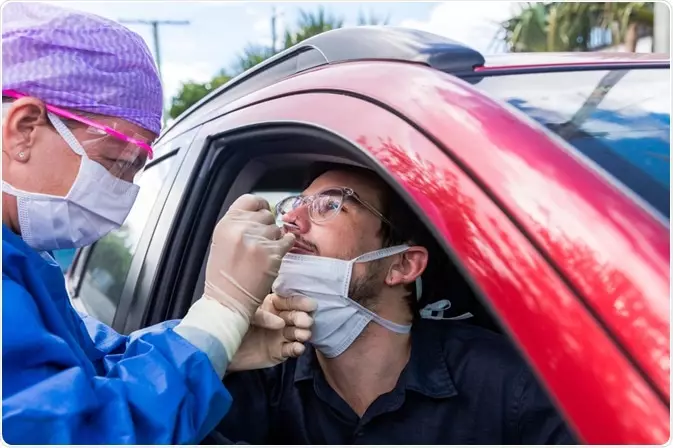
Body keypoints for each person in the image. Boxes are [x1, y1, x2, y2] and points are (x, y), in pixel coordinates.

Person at [2, 3, 315, 445]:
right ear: (24, 129)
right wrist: (222, 313)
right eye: (116, 161)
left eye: (137, 167)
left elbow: (91, 360)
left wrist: (214, 342)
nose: (126, 189)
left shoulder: (26, 259)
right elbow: (80, 433)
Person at [213, 163, 577, 445]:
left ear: (402, 265)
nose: (292, 219)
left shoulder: (509, 387)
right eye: (295, 204)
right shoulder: (258, 373)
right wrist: (214, 354)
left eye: (330, 204)